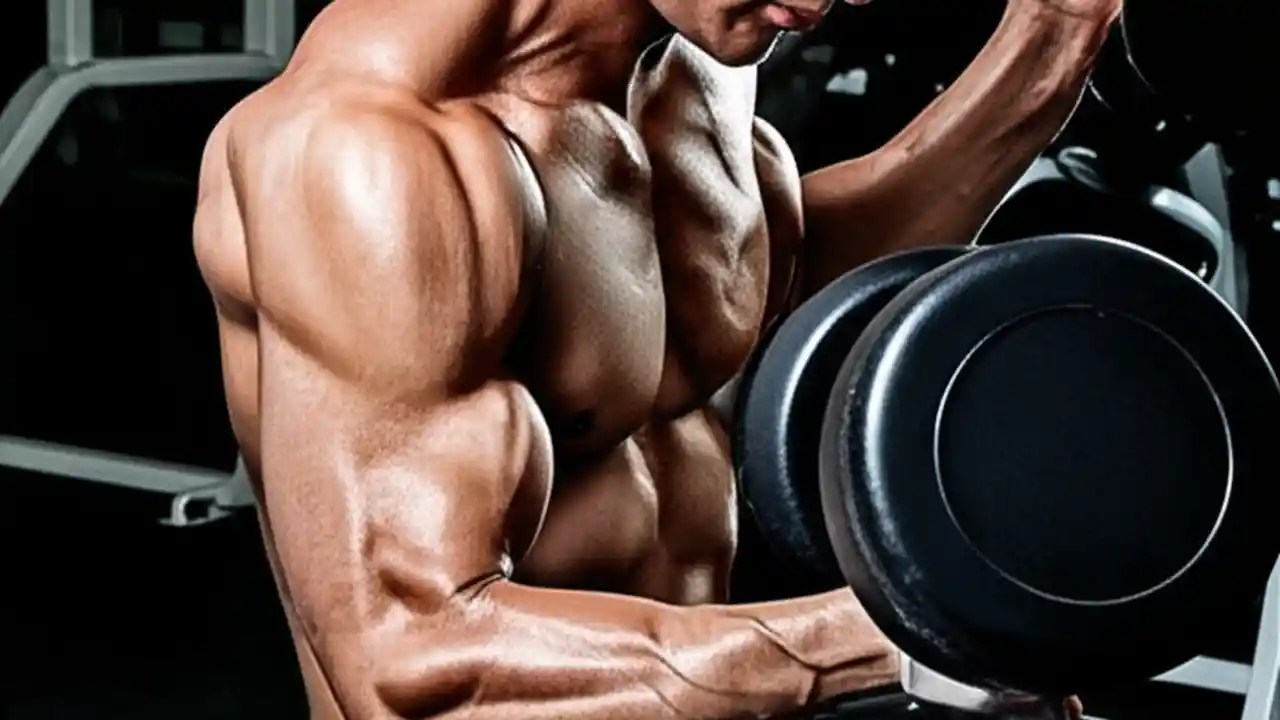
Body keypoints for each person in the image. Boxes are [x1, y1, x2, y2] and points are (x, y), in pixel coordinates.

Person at [192, 0, 1117, 717]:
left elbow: (751, 290)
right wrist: (900, 640)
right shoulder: (371, 155)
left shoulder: (700, 57)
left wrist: (1051, 40)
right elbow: (409, 658)